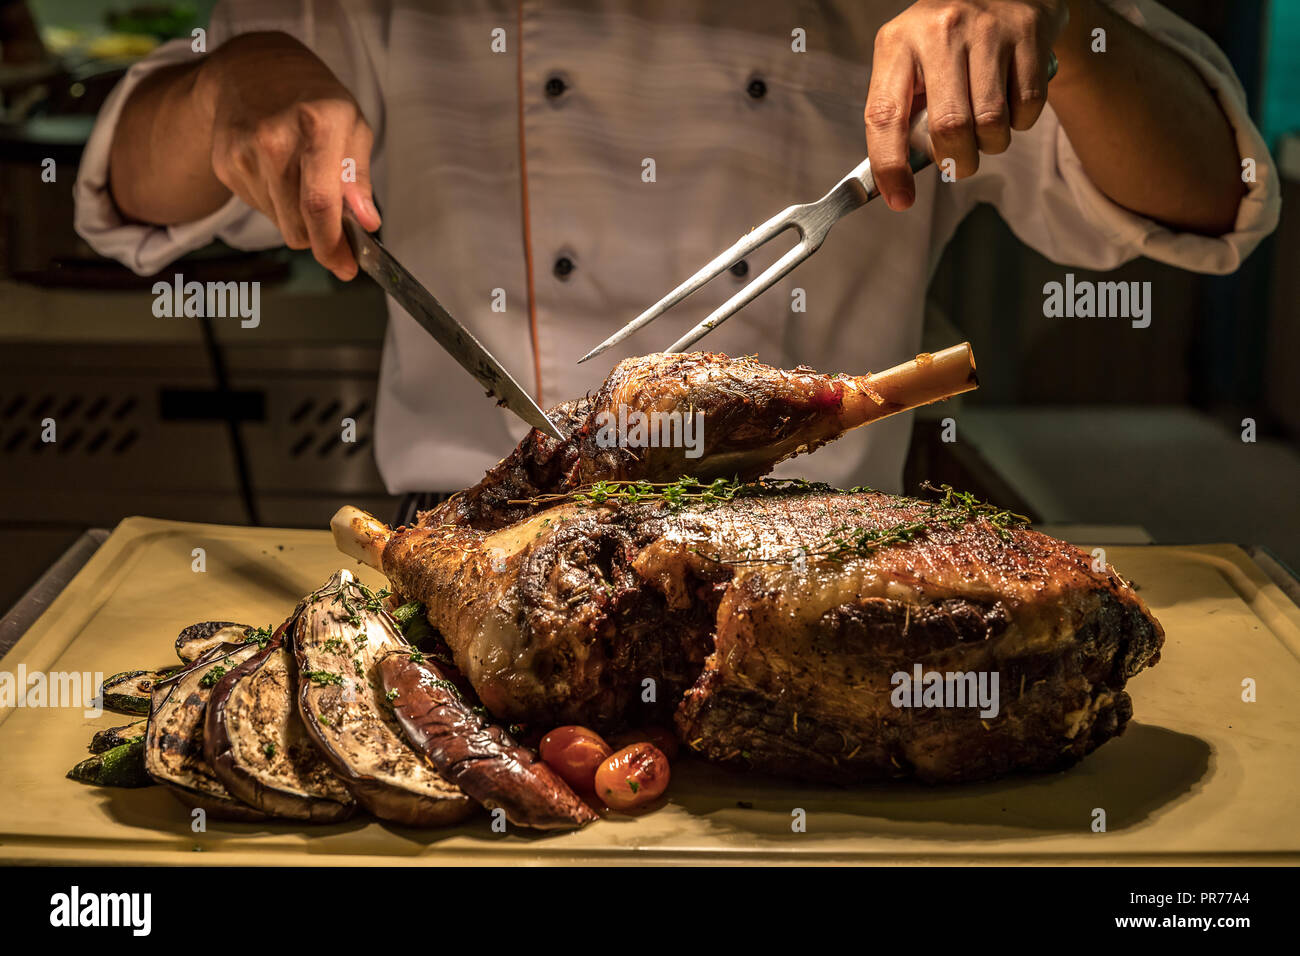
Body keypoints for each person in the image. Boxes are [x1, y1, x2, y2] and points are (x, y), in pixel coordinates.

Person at [74, 0, 1279, 524]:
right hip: (469, 536)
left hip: (815, 549)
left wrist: (1061, 23)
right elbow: (125, 186)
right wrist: (230, 87)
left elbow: (1215, 191)